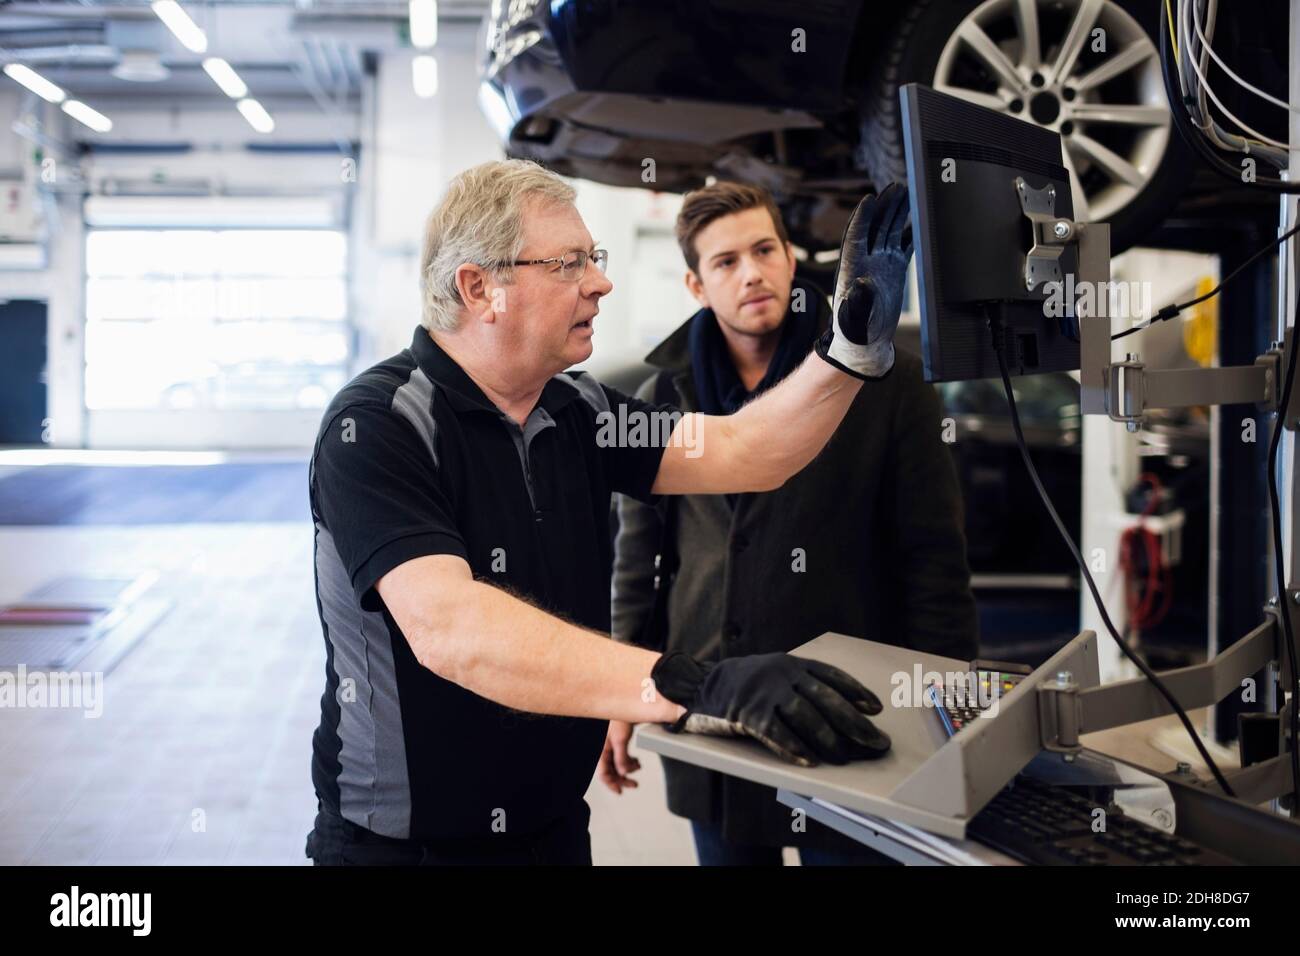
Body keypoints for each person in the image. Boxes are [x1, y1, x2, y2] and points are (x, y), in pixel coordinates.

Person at [305, 159, 909, 865]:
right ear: (480, 287)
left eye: (594, 258)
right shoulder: (380, 422)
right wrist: (696, 685)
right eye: (568, 264)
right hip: (406, 851)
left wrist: (851, 351)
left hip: (555, 830)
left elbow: (747, 448)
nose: (600, 281)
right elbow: (452, 628)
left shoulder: (579, 411)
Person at [601, 181, 977, 866]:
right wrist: (625, 692)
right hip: (712, 711)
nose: (751, 273)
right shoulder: (663, 395)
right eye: (725, 262)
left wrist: (949, 711)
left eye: (764, 249)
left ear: (789, 256)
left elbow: (934, 563)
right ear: (695, 283)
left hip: (850, 716)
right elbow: (639, 562)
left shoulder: (885, 383)